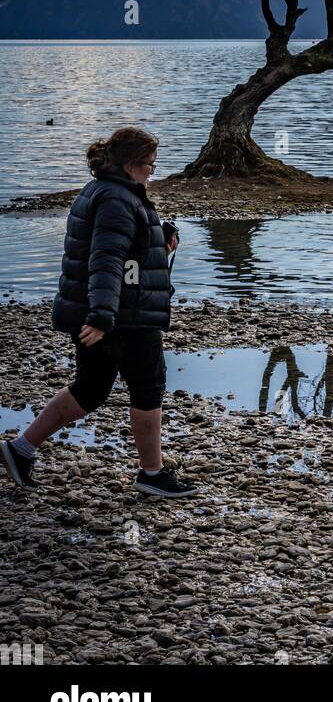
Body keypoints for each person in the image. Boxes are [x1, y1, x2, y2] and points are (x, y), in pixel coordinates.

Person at [1, 127, 194, 498]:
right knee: (148, 387)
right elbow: (105, 259)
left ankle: (20, 450)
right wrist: (102, 317)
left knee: (90, 389)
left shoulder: (105, 191)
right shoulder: (116, 199)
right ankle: (152, 474)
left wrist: (159, 235)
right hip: (122, 315)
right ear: (131, 164)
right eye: (150, 165)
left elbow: (119, 247)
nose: (153, 172)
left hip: (104, 311)